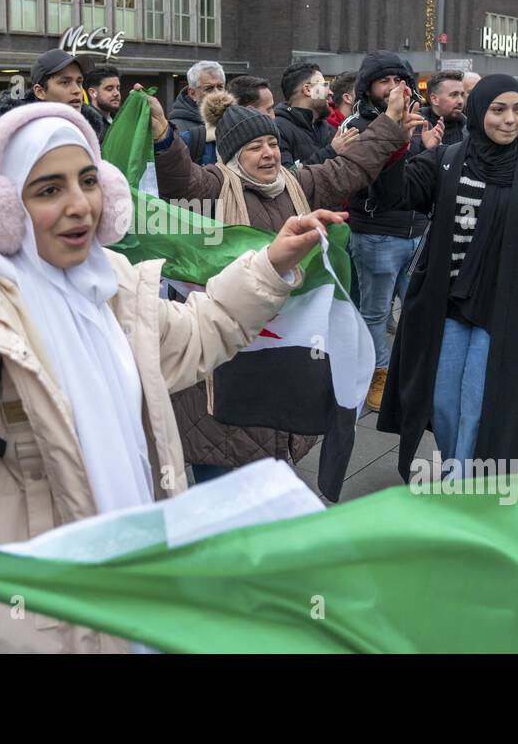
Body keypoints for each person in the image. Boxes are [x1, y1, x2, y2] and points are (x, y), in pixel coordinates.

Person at [0, 102, 343, 651]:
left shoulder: (109, 280)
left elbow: (197, 333)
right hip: (19, 619)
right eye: (48, 189)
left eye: (88, 181)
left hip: (125, 581)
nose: (78, 206)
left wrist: (270, 264)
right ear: (2, 207)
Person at [149, 85, 412, 498]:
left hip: (281, 352)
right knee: (225, 492)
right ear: (234, 156)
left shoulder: (300, 185)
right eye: (255, 147)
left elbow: (351, 167)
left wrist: (390, 124)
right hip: (225, 366)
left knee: (271, 471)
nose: (269, 153)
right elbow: (179, 178)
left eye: (272, 143)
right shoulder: (211, 190)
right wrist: (165, 139)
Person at [373, 75, 518, 478]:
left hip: (504, 307)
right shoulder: (446, 160)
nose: (510, 120)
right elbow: (396, 194)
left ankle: (462, 478)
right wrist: (396, 145)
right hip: (447, 303)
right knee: (440, 399)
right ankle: (460, 462)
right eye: (499, 110)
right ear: (478, 112)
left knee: (477, 399)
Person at [342, 52, 439, 411]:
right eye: (385, 81)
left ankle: (409, 372)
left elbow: (416, 179)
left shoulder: (416, 119)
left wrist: (426, 150)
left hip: (416, 230)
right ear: (368, 87)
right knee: (377, 311)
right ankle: (378, 373)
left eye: (400, 80)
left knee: (416, 306)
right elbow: (361, 180)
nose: (394, 88)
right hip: (376, 232)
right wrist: (397, 140)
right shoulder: (358, 124)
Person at [274, 61, 358, 167]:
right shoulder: (277, 130)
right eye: (324, 85)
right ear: (308, 90)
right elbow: (288, 178)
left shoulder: (328, 129)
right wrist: (331, 151)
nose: (330, 92)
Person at [168, 60, 227, 163]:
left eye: (220, 87)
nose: (217, 93)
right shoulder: (176, 128)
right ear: (193, 93)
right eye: (209, 88)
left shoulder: (232, 119)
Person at [417, 69, 467, 147]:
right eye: (454, 95)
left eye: (462, 95)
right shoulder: (415, 127)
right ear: (434, 99)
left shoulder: (470, 129)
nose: (460, 101)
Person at [84, 63, 122, 140]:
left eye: (118, 88)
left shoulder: (120, 120)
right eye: (109, 89)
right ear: (92, 93)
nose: (116, 93)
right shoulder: (86, 124)